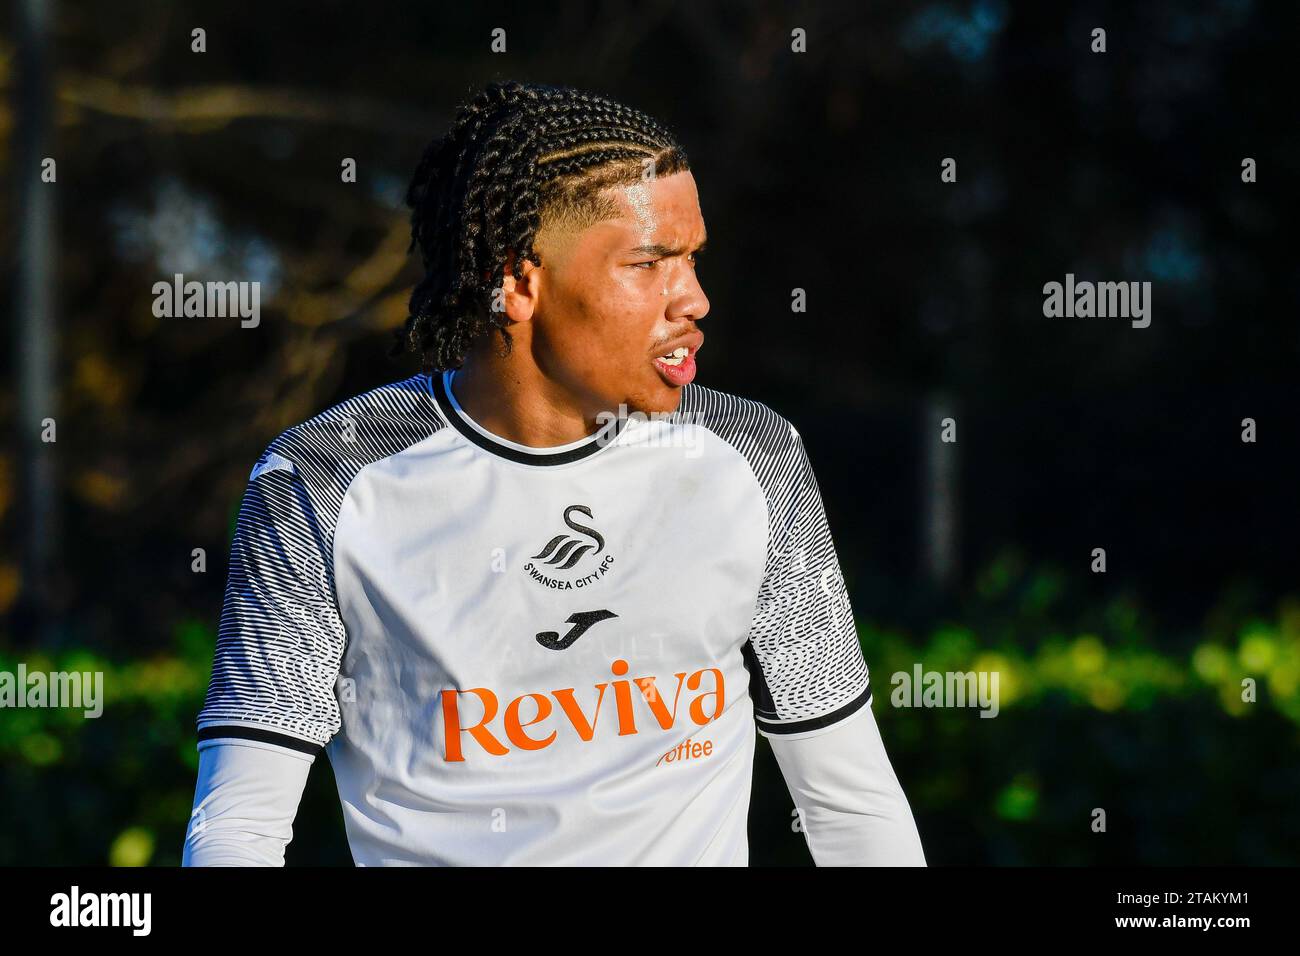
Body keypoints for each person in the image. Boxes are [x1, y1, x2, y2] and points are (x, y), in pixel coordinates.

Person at [183, 80, 926, 866]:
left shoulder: (752, 454)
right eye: (649, 263)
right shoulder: (321, 481)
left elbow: (851, 806)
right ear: (519, 281)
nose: (696, 299)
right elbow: (240, 828)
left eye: (693, 260)